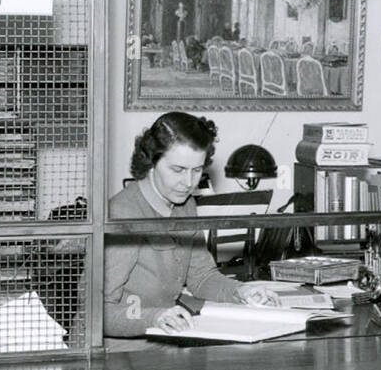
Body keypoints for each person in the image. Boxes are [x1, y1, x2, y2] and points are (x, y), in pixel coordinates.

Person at [105, 112, 282, 338]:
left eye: (197, 170)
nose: (188, 183)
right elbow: (96, 310)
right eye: (177, 170)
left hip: (162, 338)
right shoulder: (123, 215)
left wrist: (240, 291)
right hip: (119, 350)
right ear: (151, 162)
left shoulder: (185, 206)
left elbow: (201, 277)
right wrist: (154, 318)